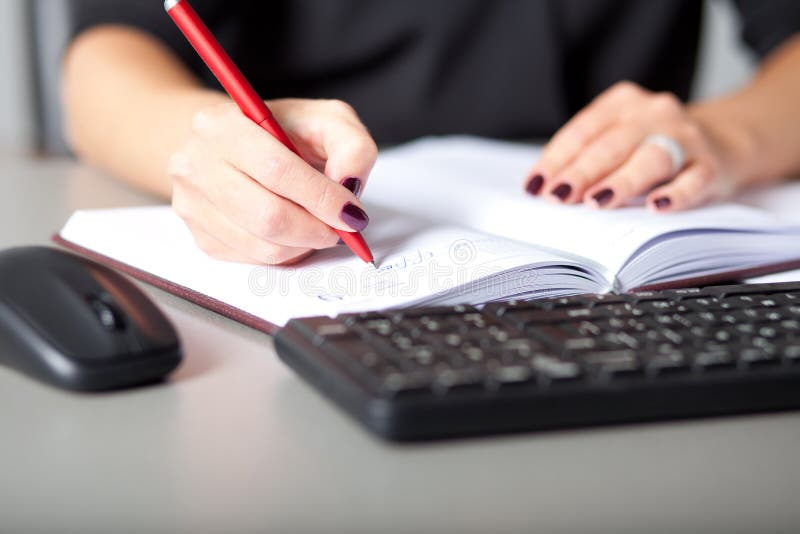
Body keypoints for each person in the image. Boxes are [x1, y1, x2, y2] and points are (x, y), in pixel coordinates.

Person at [62, 0, 800, 265]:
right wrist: (213, 149)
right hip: (309, 270)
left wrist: (725, 136)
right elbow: (106, 57)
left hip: (634, 274)